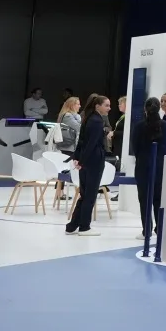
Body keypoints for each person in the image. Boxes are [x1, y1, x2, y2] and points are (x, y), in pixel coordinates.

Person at [65, 93, 112, 235]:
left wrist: (78, 158)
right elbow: (91, 143)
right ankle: (84, 227)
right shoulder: (97, 121)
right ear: (97, 106)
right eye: (106, 105)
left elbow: (82, 141)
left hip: (87, 161)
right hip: (94, 161)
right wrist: (81, 160)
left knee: (84, 194)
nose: (109, 108)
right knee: (90, 195)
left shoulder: (88, 118)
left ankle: (72, 226)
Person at [132, 97, 166, 245]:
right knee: (159, 198)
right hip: (160, 166)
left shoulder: (139, 126)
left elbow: (135, 147)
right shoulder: (165, 125)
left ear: (145, 109)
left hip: (143, 165)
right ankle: (160, 228)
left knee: (144, 199)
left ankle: (147, 230)